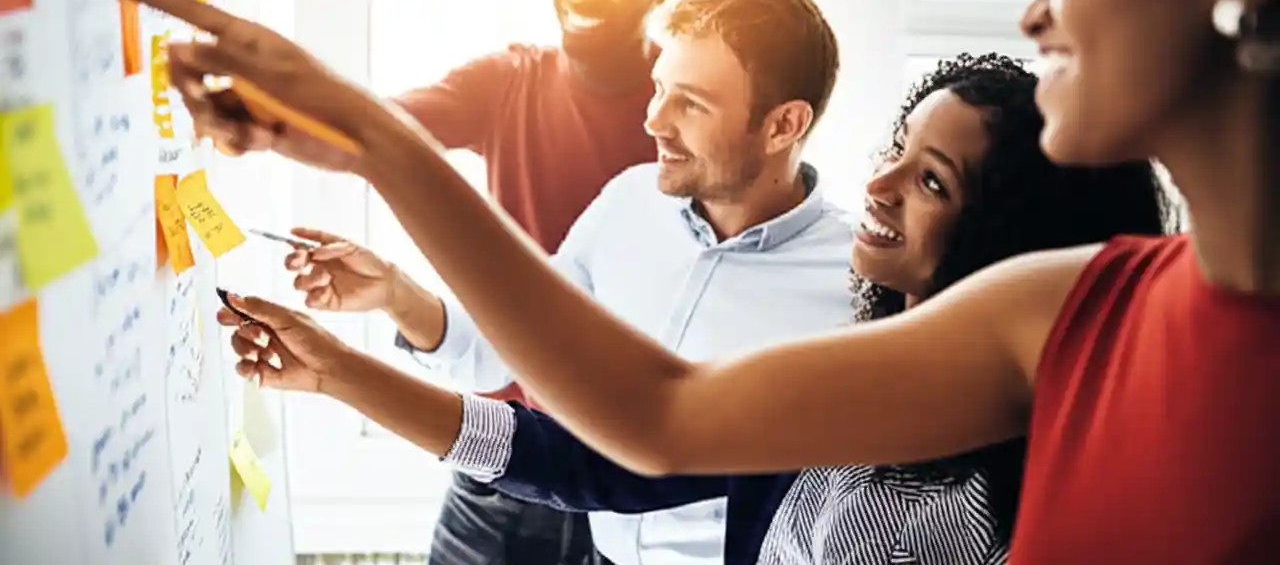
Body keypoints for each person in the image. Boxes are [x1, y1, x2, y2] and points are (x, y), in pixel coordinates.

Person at [118, 0, 1280, 558]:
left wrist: (372, 142)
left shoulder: (885, 298)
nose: (1034, 13)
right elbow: (636, 431)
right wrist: (346, 349)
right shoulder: (1060, 306)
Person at [221, 54, 1171, 564]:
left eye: (930, 180)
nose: (877, 184)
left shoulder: (1019, 502)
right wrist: (339, 373)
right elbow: (597, 460)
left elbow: (649, 425)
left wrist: (382, 147)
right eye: (897, 147)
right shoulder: (856, 376)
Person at [275, 0, 853, 565]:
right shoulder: (630, 201)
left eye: (692, 104)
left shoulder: (854, 293)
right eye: (660, 89)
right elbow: (515, 344)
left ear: (784, 125)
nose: (655, 120)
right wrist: (395, 294)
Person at [216, 0, 684, 565]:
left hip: (624, 481)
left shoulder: (684, 120)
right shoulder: (509, 82)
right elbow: (370, 127)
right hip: (499, 460)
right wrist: (260, 110)